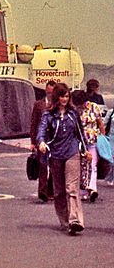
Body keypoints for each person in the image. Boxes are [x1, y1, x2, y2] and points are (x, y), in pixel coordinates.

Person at [37, 82, 90, 235]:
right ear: (56, 97)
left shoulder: (73, 114)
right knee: (59, 191)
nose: (64, 99)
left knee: (72, 188)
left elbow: (80, 133)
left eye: (66, 96)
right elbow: (41, 130)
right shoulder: (48, 115)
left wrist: (85, 150)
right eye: (61, 96)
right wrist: (41, 142)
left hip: (72, 153)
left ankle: (75, 221)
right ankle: (65, 221)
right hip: (55, 155)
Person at [72, 90, 104, 202]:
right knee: (81, 166)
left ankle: (92, 188)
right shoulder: (73, 110)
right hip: (79, 142)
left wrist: (102, 138)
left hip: (92, 141)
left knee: (92, 165)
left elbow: (100, 123)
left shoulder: (94, 107)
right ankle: (83, 191)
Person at [30, 81, 56, 202]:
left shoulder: (58, 104)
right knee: (42, 166)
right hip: (41, 139)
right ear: (45, 91)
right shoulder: (38, 104)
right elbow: (34, 123)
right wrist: (32, 142)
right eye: (48, 92)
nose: (50, 94)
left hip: (54, 140)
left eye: (52, 92)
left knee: (54, 167)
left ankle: (51, 191)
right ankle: (42, 192)